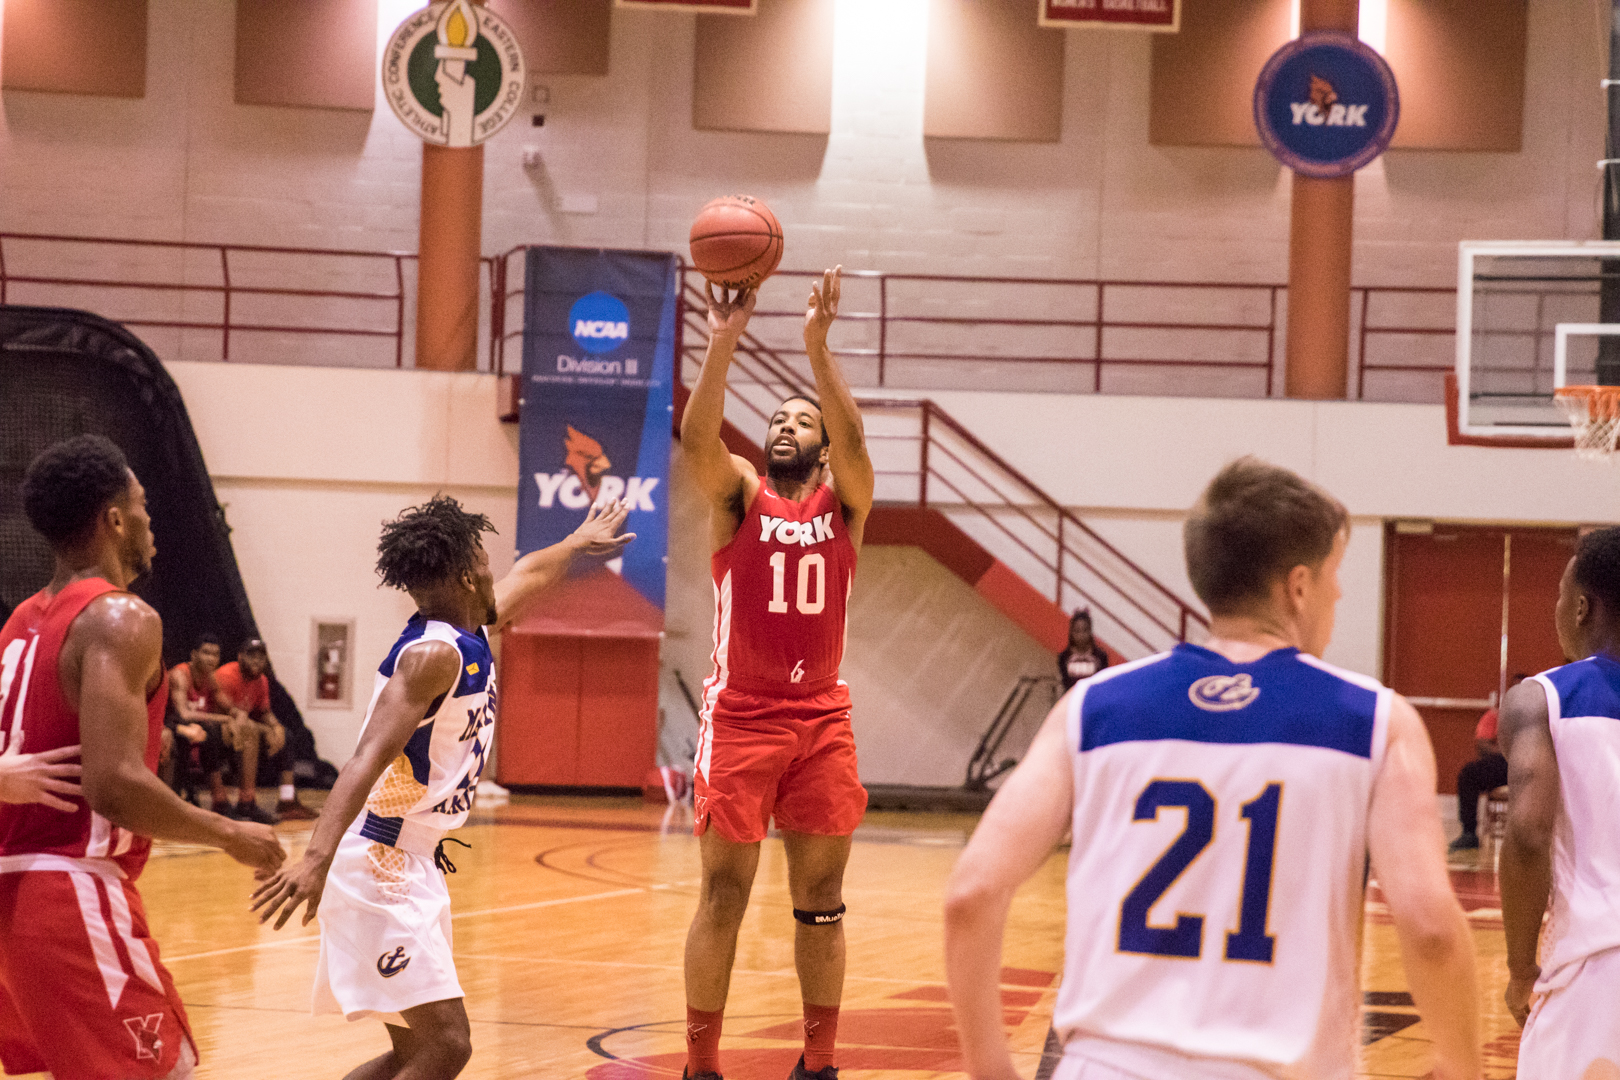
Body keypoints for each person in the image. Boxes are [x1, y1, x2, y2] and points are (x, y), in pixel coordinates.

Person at [944, 457, 1480, 1080]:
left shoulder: (1091, 709)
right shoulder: (1376, 722)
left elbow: (971, 894)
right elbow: (1430, 928)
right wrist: (1461, 1064)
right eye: (1334, 575)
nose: (1338, 594)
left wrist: (990, 1068)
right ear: (1298, 587)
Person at [251, 494, 633, 1080]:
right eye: (483, 557)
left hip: (412, 860)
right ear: (466, 576)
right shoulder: (433, 655)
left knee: (415, 1053)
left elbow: (530, 573)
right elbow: (363, 760)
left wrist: (576, 544)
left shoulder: (466, 629)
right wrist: (315, 859)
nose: (494, 567)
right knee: (448, 1045)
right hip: (378, 861)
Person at [0, 434, 285, 1079]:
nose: (152, 522)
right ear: (115, 519)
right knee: (165, 1070)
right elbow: (115, 785)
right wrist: (229, 831)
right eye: (143, 505)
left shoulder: (20, 622)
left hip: (15, 890)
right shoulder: (120, 617)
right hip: (68, 886)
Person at [678, 267, 875, 1080]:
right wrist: (723, 340)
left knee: (821, 900)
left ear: (823, 446)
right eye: (777, 420)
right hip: (743, 715)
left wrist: (816, 348)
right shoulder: (740, 495)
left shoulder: (846, 505)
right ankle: (701, 1067)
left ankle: (819, 1065)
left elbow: (856, 443)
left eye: (803, 420)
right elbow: (697, 442)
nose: (786, 427)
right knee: (724, 895)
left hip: (821, 718)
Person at [1498, 527, 1620, 1076]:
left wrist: (1521, 967)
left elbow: (1528, 834)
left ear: (1580, 608)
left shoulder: (1541, 698)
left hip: (1594, 967)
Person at [216, 638, 315, 822]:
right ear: (240, 657)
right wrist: (259, 728)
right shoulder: (227, 675)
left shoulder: (261, 680)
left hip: (245, 726)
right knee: (251, 732)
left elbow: (264, 712)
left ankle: (287, 799)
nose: (256, 661)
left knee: (285, 736)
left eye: (261, 657)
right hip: (223, 726)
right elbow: (225, 710)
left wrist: (276, 727)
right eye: (251, 656)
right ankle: (245, 801)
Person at [167, 631, 246, 811]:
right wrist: (225, 719)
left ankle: (246, 800)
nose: (211, 659)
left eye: (215, 654)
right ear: (194, 655)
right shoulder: (180, 675)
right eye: (206, 653)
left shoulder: (210, 677)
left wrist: (238, 716)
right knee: (207, 731)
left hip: (198, 729)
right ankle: (217, 798)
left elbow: (227, 705)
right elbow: (183, 715)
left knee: (236, 731)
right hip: (172, 726)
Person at [1447, 675, 1523, 852]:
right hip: (1502, 764)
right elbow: (1483, 745)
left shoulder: (1542, 716)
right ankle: (1469, 833)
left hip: (1530, 766)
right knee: (1469, 773)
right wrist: (1509, 751)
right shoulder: (1495, 716)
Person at [1058, 609, 1110, 691]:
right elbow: (1064, 683)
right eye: (1077, 631)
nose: (1081, 635)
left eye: (1085, 630)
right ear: (1071, 632)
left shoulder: (1101, 657)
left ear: (1090, 631)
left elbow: (1103, 683)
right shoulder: (1064, 657)